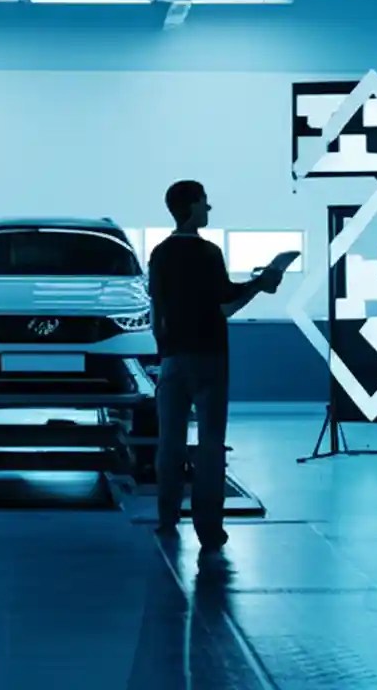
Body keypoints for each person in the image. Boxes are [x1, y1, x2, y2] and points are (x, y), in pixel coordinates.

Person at [147, 180, 283, 551]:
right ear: (191, 207)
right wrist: (259, 284)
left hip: (172, 359)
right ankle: (209, 530)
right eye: (205, 203)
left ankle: (166, 517)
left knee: (170, 442)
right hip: (209, 358)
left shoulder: (159, 254)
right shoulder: (208, 253)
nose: (209, 209)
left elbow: (155, 310)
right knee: (210, 444)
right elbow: (225, 305)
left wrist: (164, 352)